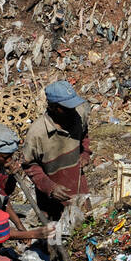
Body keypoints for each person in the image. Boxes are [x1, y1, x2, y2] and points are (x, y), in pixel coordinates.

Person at [25, 80, 92, 220]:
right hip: (53, 199)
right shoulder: (37, 133)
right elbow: (30, 166)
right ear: (53, 107)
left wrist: (85, 153)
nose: (72, 110)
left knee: (86, 225)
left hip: (79, 187)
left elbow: (84, 134)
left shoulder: (79, 115)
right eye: (66, 107)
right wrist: (50, 187)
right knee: (59, 236)